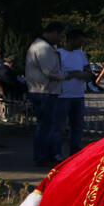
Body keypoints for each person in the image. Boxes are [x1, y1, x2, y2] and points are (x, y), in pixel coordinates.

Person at [26, 22, 69, 166]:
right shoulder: (43, 48)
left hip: (40, 90)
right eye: (60, 35)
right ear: (54, 32)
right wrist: (67, 75)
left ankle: (45, 155)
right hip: (45, 91)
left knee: (45, 126)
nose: (60, 39)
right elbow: (51, 72)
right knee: (46, 126)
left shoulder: (39, 46)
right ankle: (42, 157)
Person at [57, 28, 94, 157]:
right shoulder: (59, 54)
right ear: (71, 40)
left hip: (78, 94)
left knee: (77, 125)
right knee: (60, 126)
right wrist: (70, 74)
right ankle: (56, 152)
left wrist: (81, 75)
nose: (81, 44)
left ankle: (75, 151)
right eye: (80, 41)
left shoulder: (80, 55)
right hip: (62, 95)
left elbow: (89, 74)